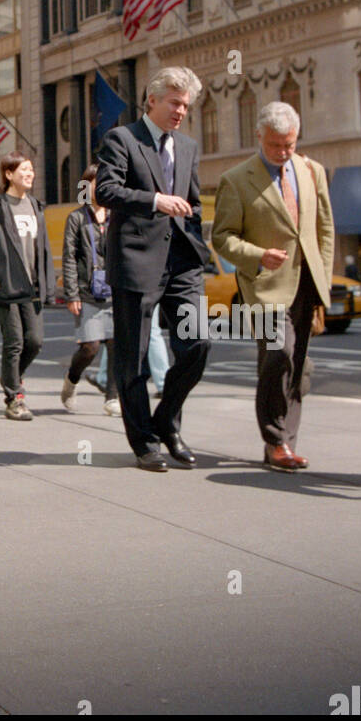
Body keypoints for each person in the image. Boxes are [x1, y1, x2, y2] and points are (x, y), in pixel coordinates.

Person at [96, 66, 211, 472]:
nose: (181, 111)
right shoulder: (122, 139)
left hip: (181, 262)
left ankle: (166, 420)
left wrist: (192, 229)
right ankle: (145, 441)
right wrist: (155, 200)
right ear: (152, 100)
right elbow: (105, 190)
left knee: (197, 344)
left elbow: (193, 202)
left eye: (186, 105)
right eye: (174, 103)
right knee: (135, 359)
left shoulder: (188, 146)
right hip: (136, 261)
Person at [213, 101, 334, 473]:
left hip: (306, 284)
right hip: (264, 287)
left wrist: (324, 281)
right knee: (278, 355)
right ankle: (275, 439)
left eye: (290, 144)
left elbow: (325, 229)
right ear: (259, 137)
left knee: (297, 366)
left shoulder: (312, 171)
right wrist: (257, 255)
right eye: (275, 145)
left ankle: (283, 444)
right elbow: (223, 237)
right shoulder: (236, 179)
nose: (283, 153)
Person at [0, 152, 56, 420]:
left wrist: (49, 287)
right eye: (24, 170)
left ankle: (12, 375)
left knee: (35, 342)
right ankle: (15, 397)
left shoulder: (36, 206)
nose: (30, 174)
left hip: (32, 288)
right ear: (9, 174)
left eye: (31, 169)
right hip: (6, 286)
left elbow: (44, 251)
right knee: (15, 341)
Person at [60, 164, 120, 417]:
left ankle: (112, 398)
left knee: (116, 345)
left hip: (115, 291)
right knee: (90, 347)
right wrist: (72, 294)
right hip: (87, 292)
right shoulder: (76, 218)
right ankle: (71, 381)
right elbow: (69, 258)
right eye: (95, 182)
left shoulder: (117, 215)